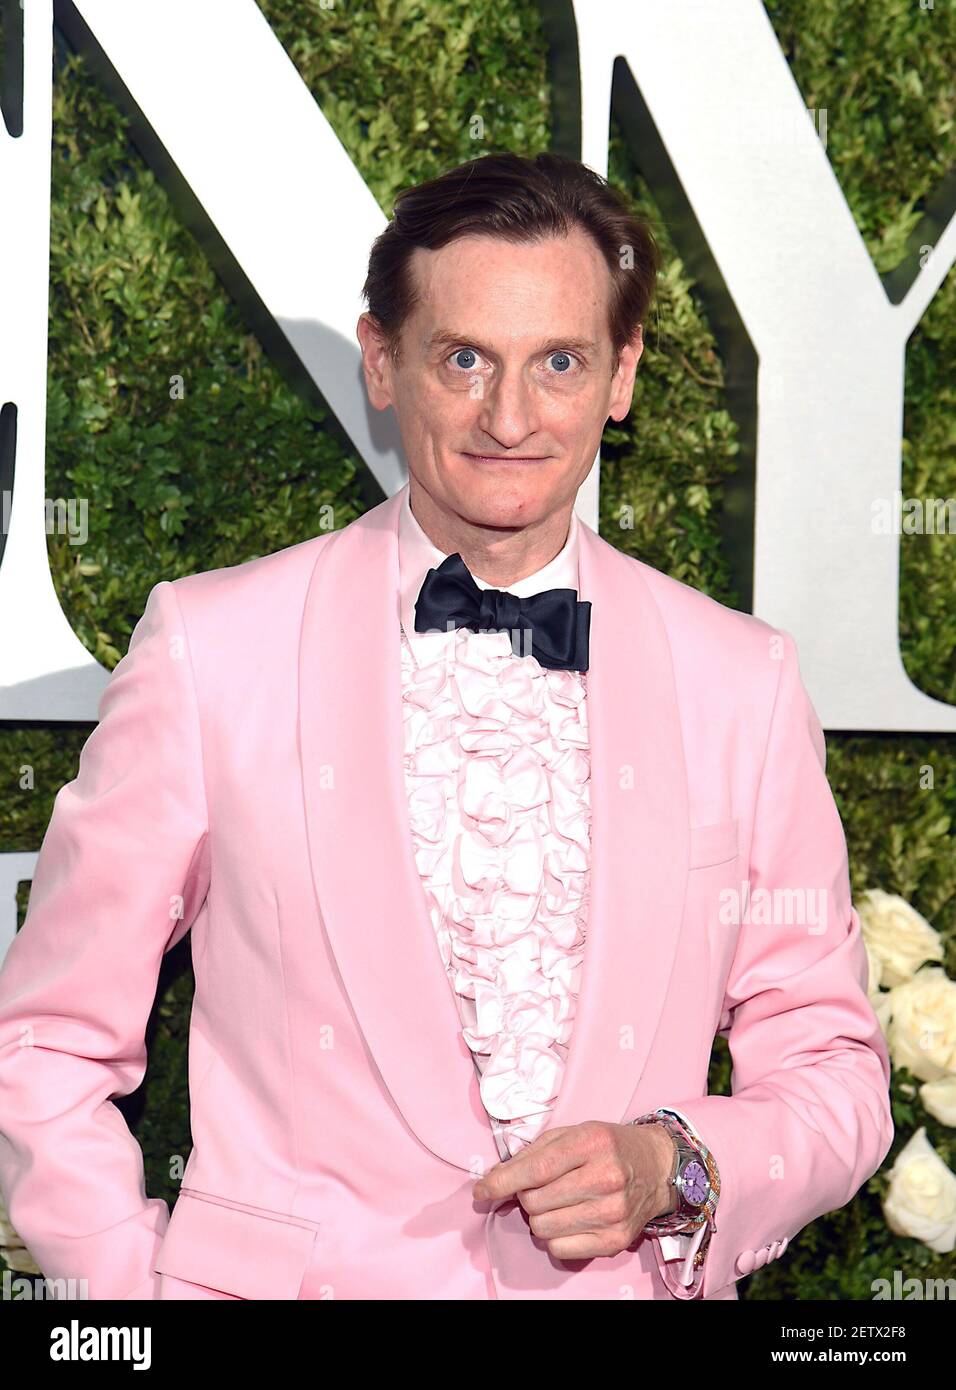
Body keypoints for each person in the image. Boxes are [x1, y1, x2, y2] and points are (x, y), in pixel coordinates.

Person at [0, 152, 893, 1300]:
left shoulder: (741, 681)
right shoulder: (211, 651)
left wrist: (674, 1163)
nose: (508, 417)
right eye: (463, 357)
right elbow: (44, 1042)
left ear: (620, 375)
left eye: (558, 362)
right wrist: (134, 1302)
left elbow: (828, 1067)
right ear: (384, 362)